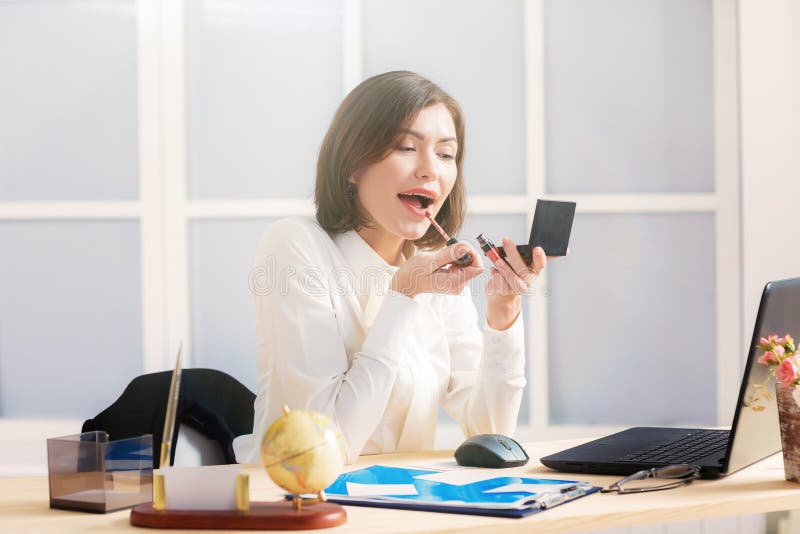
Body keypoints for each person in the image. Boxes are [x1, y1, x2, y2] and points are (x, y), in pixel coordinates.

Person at [233, 71, 548, 464]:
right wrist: (403, 295)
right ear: (352, 163)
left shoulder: (432, 271)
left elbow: (492, 434)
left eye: (446, 154)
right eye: (405, 147)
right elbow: (329, 445)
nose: (430, 169)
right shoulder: (294, 245)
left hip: (397, 507)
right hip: (297, 502)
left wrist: (503, 315)